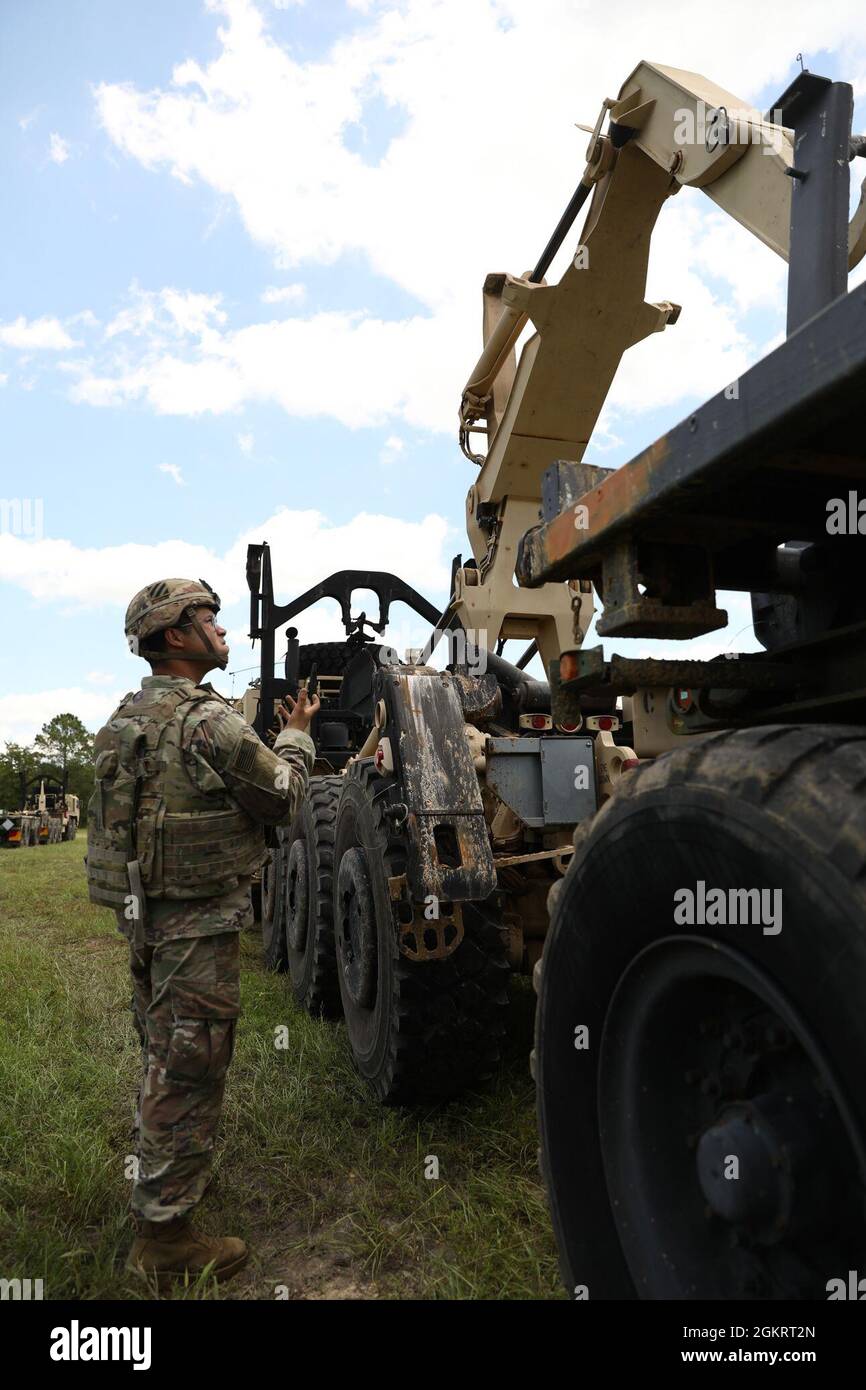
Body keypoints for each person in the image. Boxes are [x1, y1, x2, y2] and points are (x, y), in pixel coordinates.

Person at [85, 577, 319, 1285]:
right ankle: (164, 1242)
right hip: (197, 921)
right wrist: (299, 737)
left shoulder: (126, 718)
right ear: (176, 637)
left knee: (163, 1053)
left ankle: (164, 1185)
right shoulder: (207, 723)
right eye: (208, 619)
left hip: (147, 918)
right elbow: (283, 798)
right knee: (187, 1068)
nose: (223, 631)